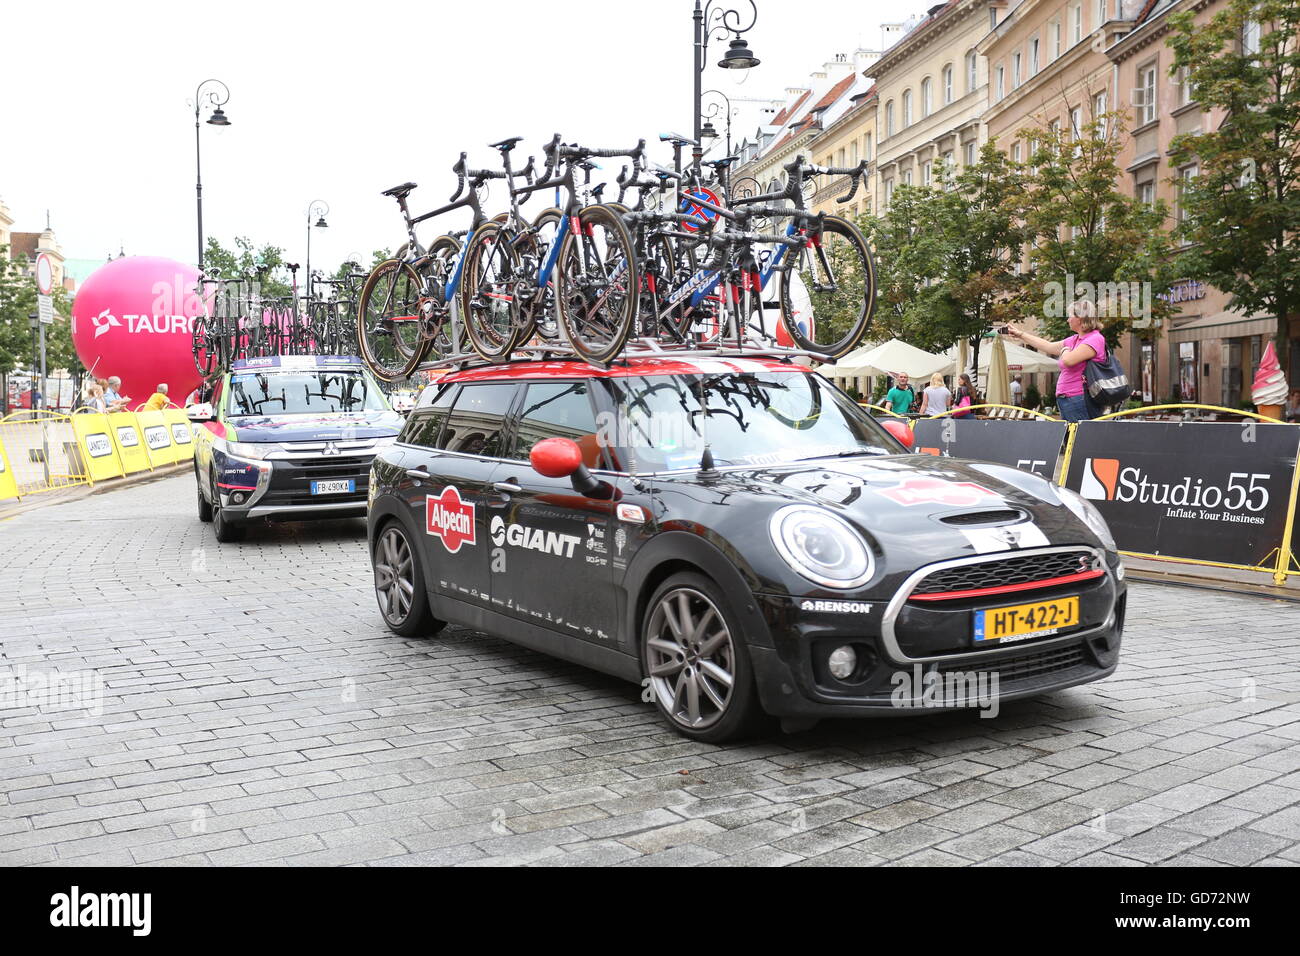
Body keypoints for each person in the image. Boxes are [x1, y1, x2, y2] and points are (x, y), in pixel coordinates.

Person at [1006, 299, 1106, 423]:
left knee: (1080, 440)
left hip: (1079, 399)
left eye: (1070, 316)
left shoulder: (1095, 339)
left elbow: (1068, 360)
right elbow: (1048, 346)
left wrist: (1064, 350)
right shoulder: (1075, 340)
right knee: (1071, 439)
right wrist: (1020, 334)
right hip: (1068, 399)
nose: (1068, 320)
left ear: (1080, 318)